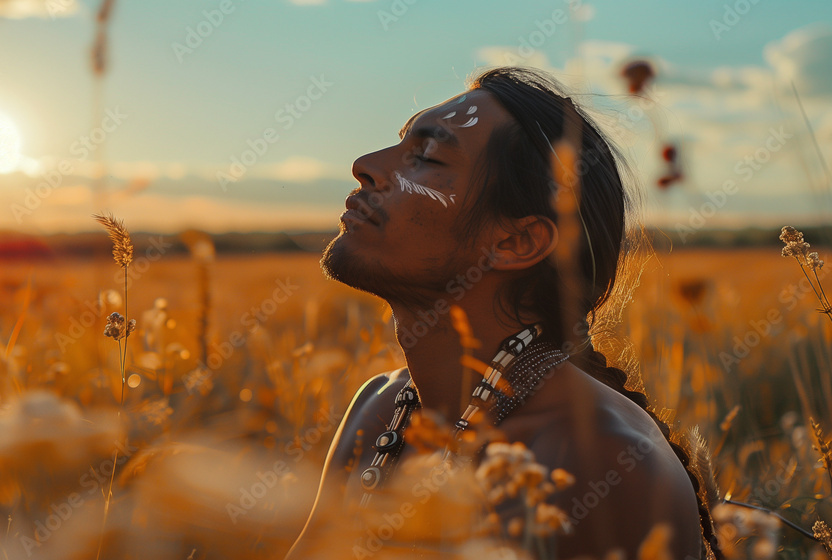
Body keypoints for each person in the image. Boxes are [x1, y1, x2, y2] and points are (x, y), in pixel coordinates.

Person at [284, 67, 720, 559]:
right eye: (401, 143)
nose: (365, 164)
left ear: (516, 242)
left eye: (426, 156)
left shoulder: (603, 461)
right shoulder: (379, 407)